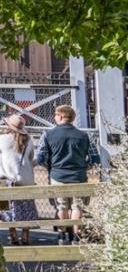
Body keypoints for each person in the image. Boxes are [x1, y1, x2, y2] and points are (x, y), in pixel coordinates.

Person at [36, 104, 98, 244]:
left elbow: (40, 158)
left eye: (56, 115)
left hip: (57, 175)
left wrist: (51, 167)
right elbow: (95, 158)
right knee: (77, 206)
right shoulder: (84, 136)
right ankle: (77, 236)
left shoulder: (48, 135)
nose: (55, 117)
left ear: (61, 116)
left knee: (61, 205)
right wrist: (84, 167)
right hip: (79, 176)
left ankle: (62, 235)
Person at [0, 114, 39, 245]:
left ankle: (13, 235)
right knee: (27, 207)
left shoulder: (1, 139)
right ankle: (25, 235)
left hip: (8, 180)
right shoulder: (28, 140)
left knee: (9, 207)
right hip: (26, 179)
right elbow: (31, 158)